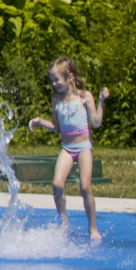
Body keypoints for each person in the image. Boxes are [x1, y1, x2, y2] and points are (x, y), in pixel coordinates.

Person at [27, 56, 109, 242]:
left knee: (85, 187)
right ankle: (63, 222)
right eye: (52, 80)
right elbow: (56, 126)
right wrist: (40, 121)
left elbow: (95, 123)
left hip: (83, 147)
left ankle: (93, 228)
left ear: (70, 77)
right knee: (57, 185)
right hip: (66, 147)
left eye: (57, 79)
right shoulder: (56, 99)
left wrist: (102, 101)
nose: (54, 84)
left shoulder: (85, 96)